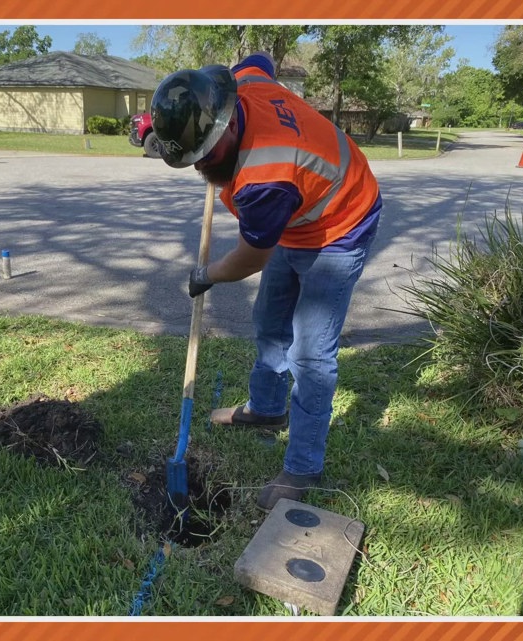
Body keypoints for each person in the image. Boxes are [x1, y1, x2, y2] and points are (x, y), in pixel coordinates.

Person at [150, 52, 383, 511]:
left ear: (227, 128)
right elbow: (258, 60)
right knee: (270, 318)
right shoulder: (239, 86)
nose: (200, 169)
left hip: (341, 225)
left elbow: (251, 257)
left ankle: (302, 466)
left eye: (204, 157)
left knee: (310, 354)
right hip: (298, 216)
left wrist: (206, 275)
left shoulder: (264, 179)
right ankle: (267, 409)